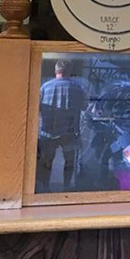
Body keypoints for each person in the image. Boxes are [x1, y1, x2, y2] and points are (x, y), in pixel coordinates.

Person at [37, 59, 88, 191]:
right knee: (69, 161)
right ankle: (66, 187)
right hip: (69, 131)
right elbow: (84, 106)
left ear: (56, 71)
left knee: (47, 161)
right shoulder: (77, 88)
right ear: (69, 71)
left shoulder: (45, 87)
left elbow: (38, 108)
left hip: (48, 131)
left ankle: (45, 187)